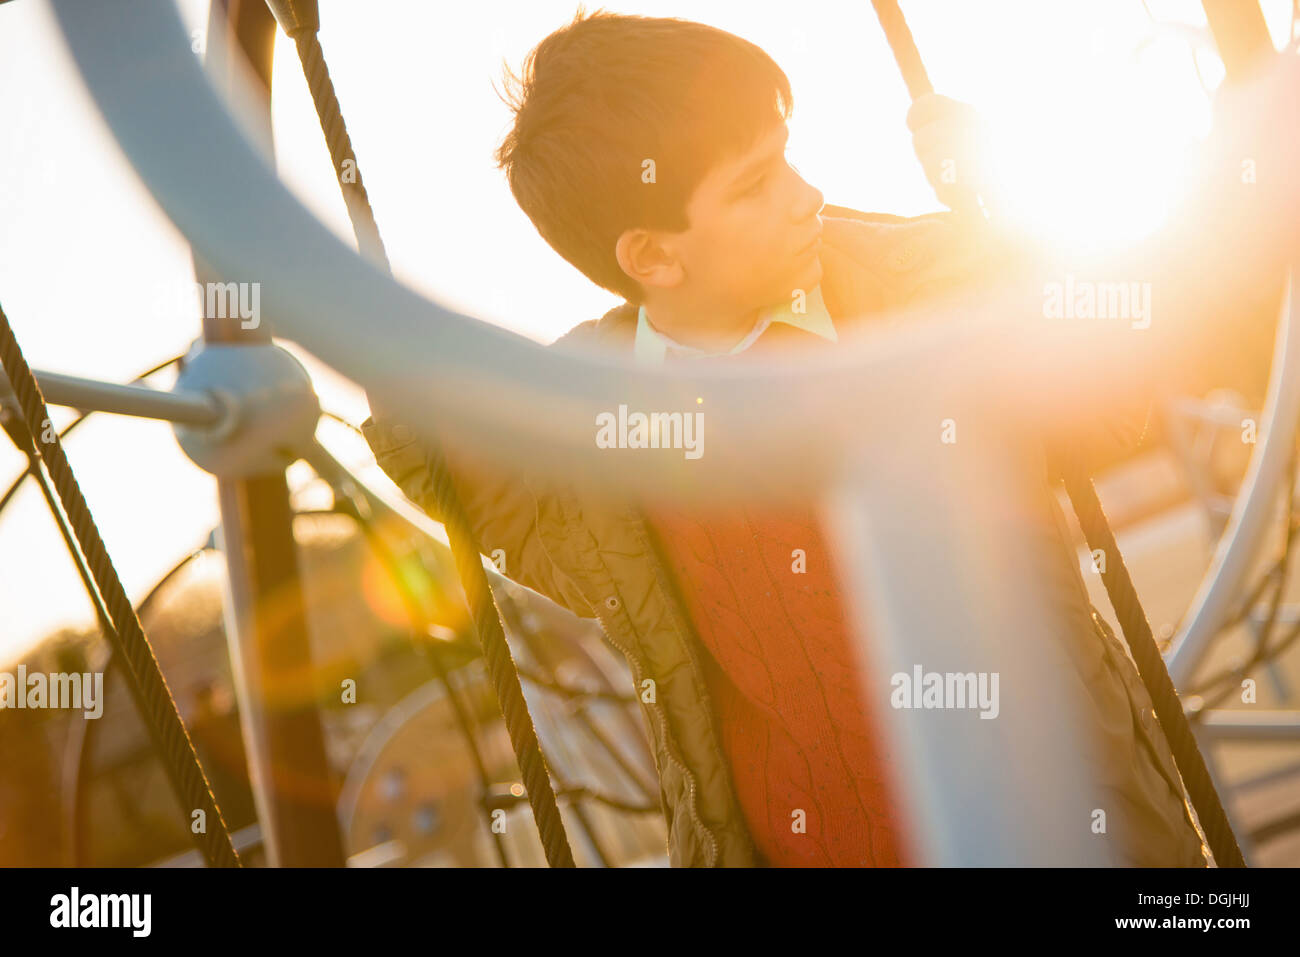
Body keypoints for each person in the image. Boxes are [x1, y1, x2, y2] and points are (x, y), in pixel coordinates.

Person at [363, 10, 1220, 866]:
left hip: (1052, 825)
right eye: (755, 182)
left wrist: (1012, 212)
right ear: (653, 257)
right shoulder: (595, 420)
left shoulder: (916, 285)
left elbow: (1108, 391)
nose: (805, 193)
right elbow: (443, 462)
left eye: (786, 156)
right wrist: (382, 343)